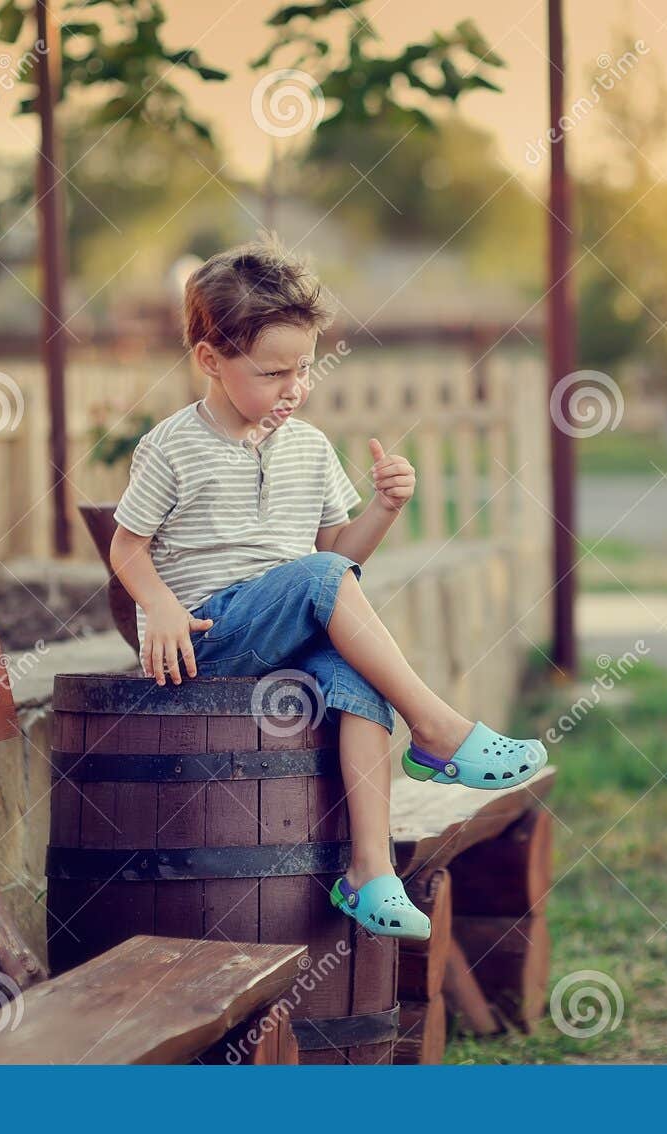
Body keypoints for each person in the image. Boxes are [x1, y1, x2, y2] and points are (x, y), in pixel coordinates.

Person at [109, 236, 548, 942]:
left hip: (286, 629)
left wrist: (384, 508)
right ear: (210, 360)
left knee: (354, 677)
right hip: (207, 637)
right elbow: (126, 546)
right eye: (273, 371)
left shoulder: (308, 448)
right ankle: (437, 730)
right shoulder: (171, 446)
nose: (294, 388)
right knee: (320, 587)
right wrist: (158, 604)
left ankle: (368, 871)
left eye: (304, 369)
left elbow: (337, 557)